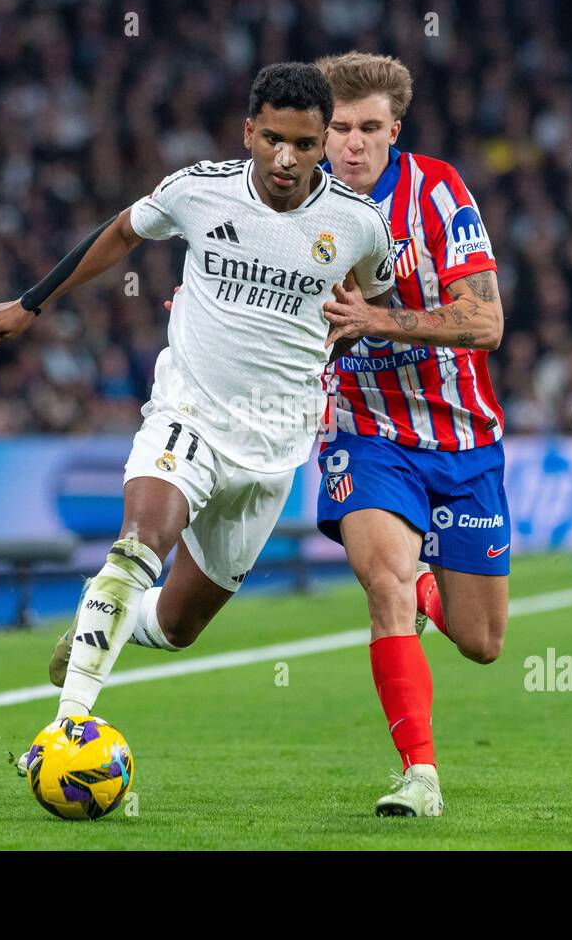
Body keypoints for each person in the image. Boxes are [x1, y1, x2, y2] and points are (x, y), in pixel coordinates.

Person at [0, 62, 395, 723]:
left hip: (273, 449)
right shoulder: (199, 190)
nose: (286, 159)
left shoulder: (359, 225)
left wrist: (337, 341)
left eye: (305, 145)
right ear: (249, 131)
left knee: (177, 627)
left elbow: (375, 304)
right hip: (187, 417)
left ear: (323, 145)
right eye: (273, 139)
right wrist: (32, 304)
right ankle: (68, 722)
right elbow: (120, 232)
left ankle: (98, 618)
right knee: (138, 545)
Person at [150, 53, 507, 818]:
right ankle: (419, 774)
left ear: (395, 131)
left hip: (462, 435)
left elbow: (486, 322)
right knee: (382, 582)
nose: (351, 144)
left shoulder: (438, 192)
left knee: (481, 641)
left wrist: (378, 317)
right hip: (361, 431)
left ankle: (426, 588)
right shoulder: (289, 202)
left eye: (369, 128)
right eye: (338, 129)